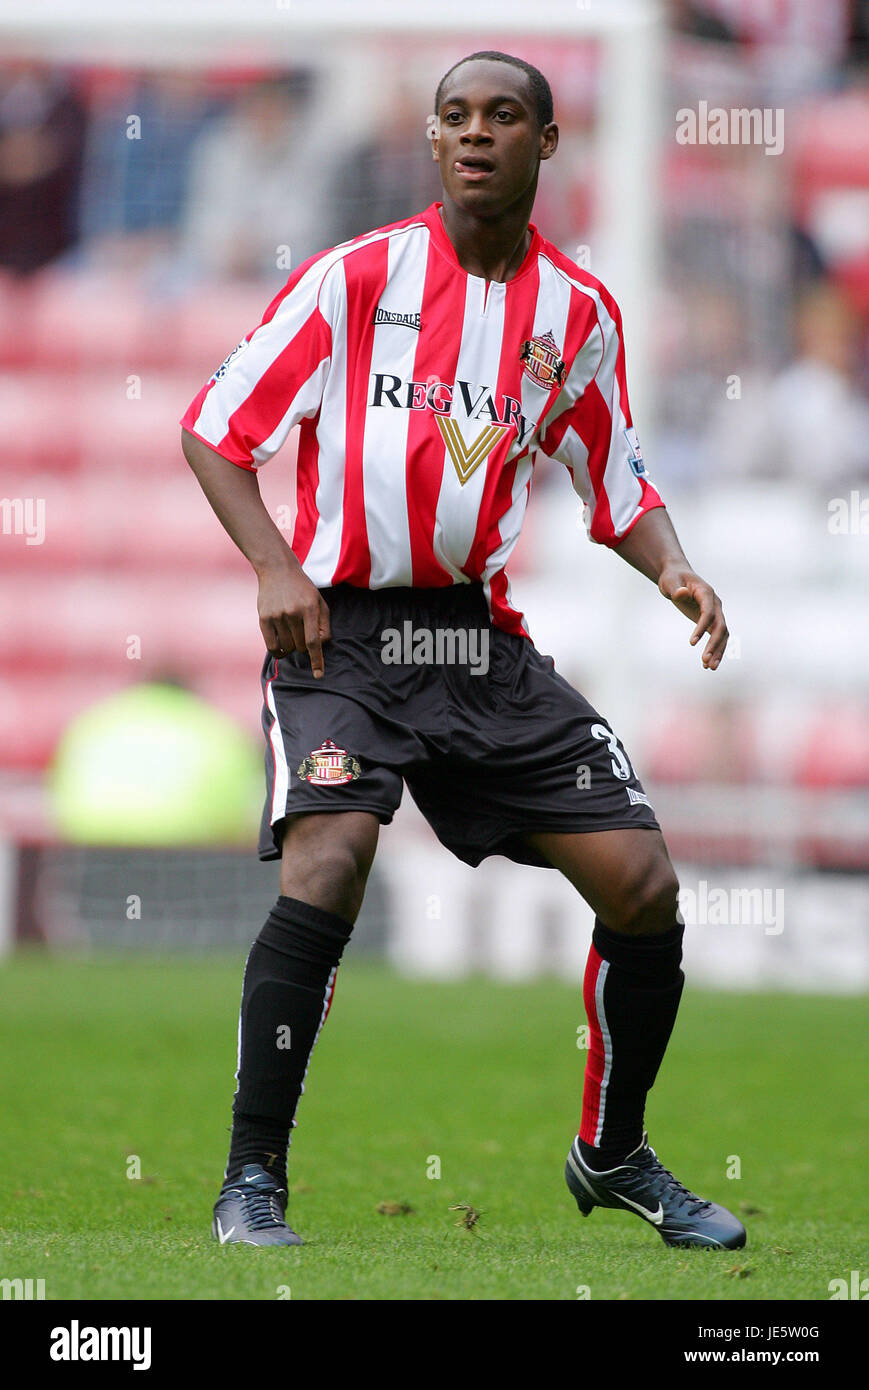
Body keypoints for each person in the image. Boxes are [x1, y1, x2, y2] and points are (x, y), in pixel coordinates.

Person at [181, 51, 745, 1252]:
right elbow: (215, 430)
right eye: (453, 118)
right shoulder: (353, 278)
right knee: (327, 858)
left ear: (548, 143)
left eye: (500, 118)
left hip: (474, 638)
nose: (473, 134)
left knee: (640, 883)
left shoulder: (577, 315)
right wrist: (276, 567)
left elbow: (615, 476)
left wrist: (674, 565)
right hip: (339, 629)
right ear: (431, 143)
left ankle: (612, 1153)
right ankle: (252, 1178)